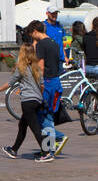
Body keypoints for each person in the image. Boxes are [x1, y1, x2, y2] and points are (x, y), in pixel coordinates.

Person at [3, 43, 50, 161]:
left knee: (35, 128)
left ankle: (46, 153)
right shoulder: (37, 68)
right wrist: (40, 97)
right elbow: (42, 85)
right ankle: (13, 149)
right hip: (37, 100)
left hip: (27, 102)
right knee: (22, 125)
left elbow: (10, 83)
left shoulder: (21, 68)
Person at [29, 19, 68, 157]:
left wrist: (38, 83)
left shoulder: (41, 44)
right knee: (47, 114)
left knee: (43, 116)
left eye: (31, 34)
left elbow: (40, 66)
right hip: (56, 81)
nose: (31, 37)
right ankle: (47, 148)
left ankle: (53, 144)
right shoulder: (53, 42)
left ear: (35, 31)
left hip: (47, 83)